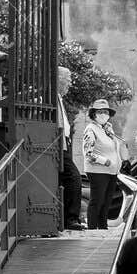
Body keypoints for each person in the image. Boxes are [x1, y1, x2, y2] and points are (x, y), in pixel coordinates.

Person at [81, 98, 124, 230]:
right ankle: (92, 229)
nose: (103, 114)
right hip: (97, 170)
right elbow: (88, 153)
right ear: (94, 114)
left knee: (106, 203)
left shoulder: (106, 130)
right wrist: (105, 161)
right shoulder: (91, 129)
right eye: (100, 112)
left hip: (111, 171)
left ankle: (103, 227)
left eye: (106, 112)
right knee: (97, 201)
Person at [56, 65, 83, 230]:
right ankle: (70, 219)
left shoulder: (59, 98)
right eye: (68, 79)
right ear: (58, 80)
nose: (70, 83)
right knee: (74, 178)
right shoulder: (52, 96)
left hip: (64, 144)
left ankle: (66, 218)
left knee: (67, 179)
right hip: (58, 144)